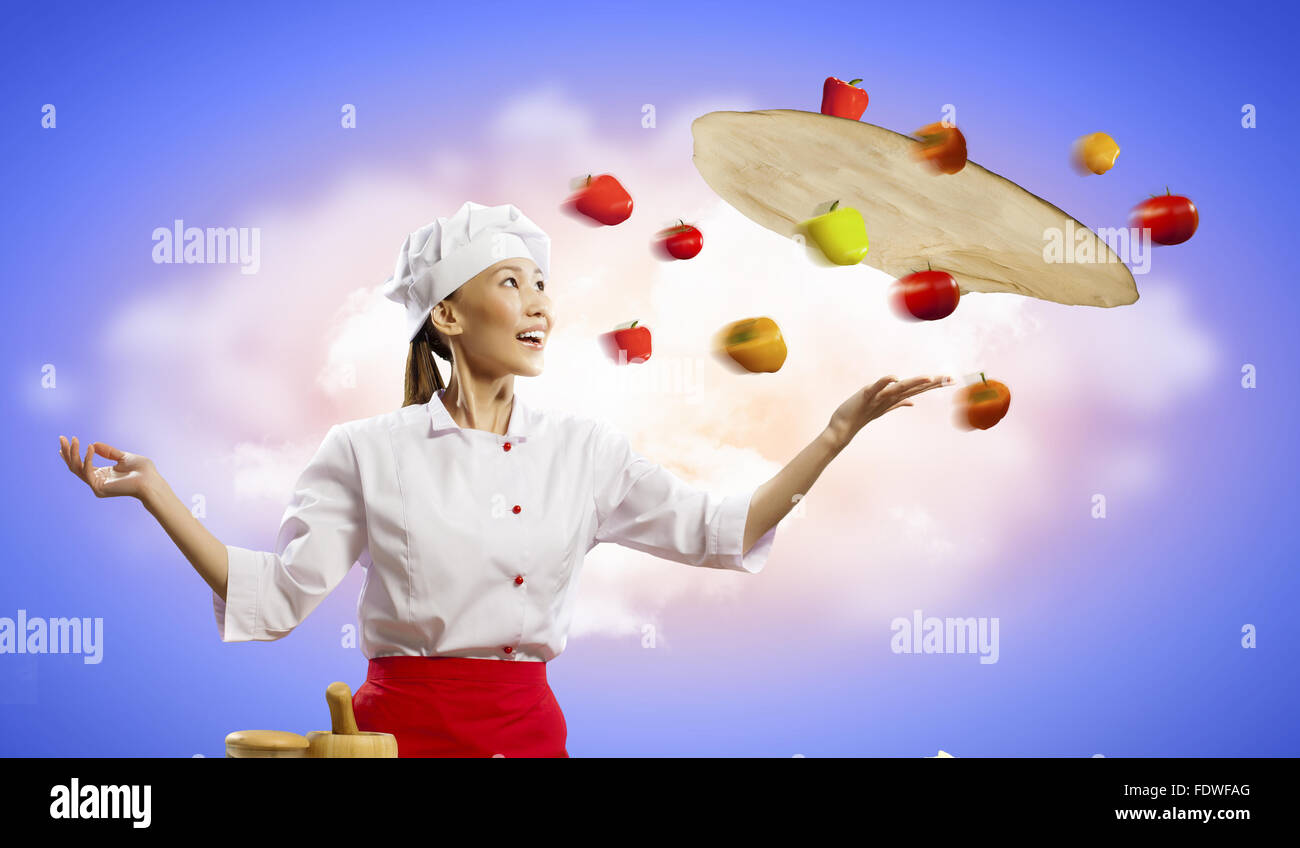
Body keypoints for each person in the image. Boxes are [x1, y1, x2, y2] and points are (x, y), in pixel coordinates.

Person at [56, 200, 953, 757]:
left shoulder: (585, 451)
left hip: (531, 737)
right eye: (512, 283)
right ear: (447, 313)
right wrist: (156, 493)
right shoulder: (366, 449)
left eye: (541, 285)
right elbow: (275, 598)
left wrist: (834, 435)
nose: (538, 303)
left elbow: (723, 528)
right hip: (395, 741)